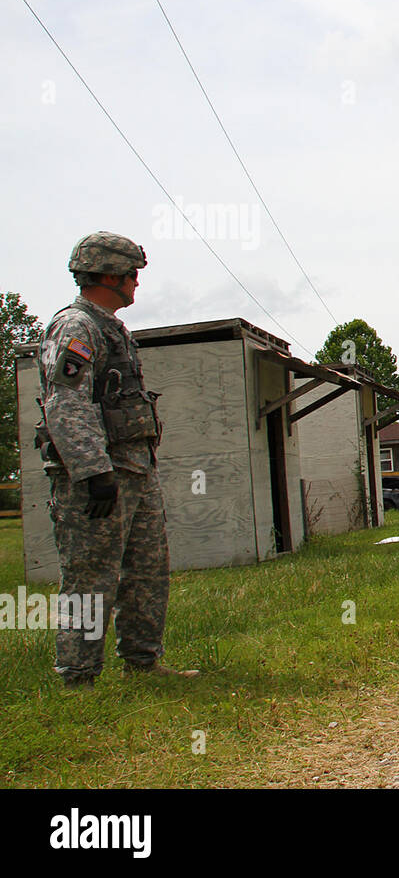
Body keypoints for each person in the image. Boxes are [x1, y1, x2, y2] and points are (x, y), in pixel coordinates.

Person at [36, 232, 198, 688]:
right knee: (91, 578)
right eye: (131, 275)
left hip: (135, 471)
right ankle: (78, 677)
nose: (136, 284)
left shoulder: (113, 328)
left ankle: (143, 662)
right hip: (99, 479)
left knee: (147, 572)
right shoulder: (76, 326)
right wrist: (92, 471)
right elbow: (66, 403)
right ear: (108, 274)